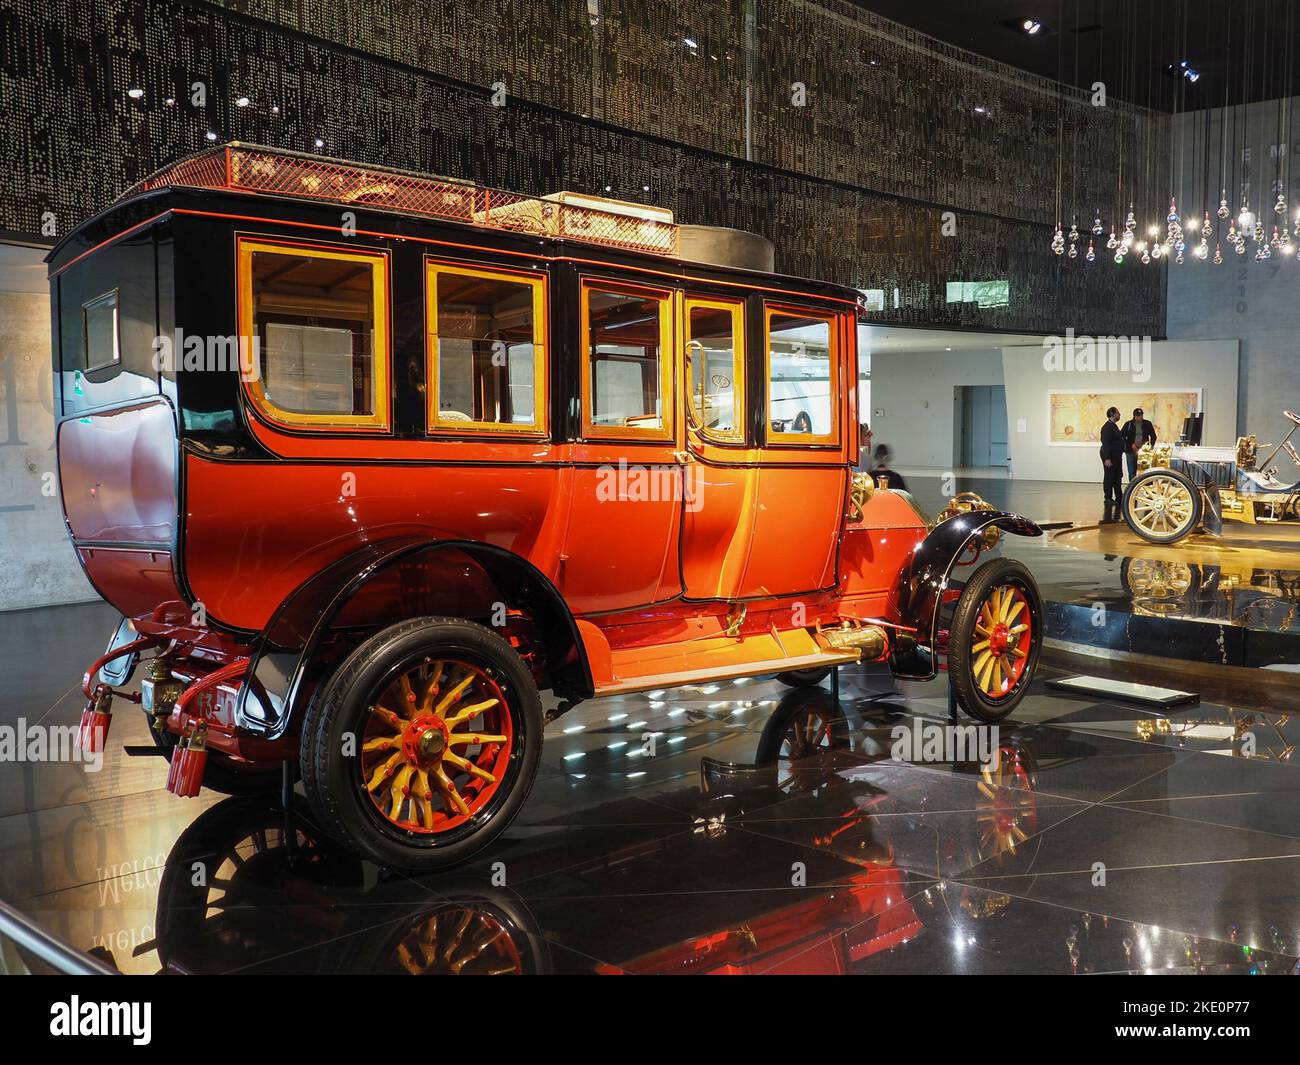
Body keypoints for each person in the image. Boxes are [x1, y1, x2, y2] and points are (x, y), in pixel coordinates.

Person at [1100, 406, 1125, 520]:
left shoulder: (1113, 426)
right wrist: (1107, 458)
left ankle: (1119, 497)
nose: (1119, 415)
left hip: (1116, 456)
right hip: (1110, 456)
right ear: (1113, 414)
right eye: (1118, 413)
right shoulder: (1107, 427)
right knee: (1109, 476)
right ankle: (1108, 498)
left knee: (1117, 476)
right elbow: (1106, 443)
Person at [1120, 406, 1157, 481]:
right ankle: (1132, 487)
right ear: (1134, 416)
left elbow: (1153, 436)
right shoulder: (1128, 424)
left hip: (1144, 452)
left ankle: (1144, 485)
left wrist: (1150, 447)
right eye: (1138, 416)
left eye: (1141, 415)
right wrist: (1131, 445)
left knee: (1144, 471)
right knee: (1132, 471)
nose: (1140, 417)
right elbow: (1122, 437)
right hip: (1131, 451)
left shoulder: (1147, 423)